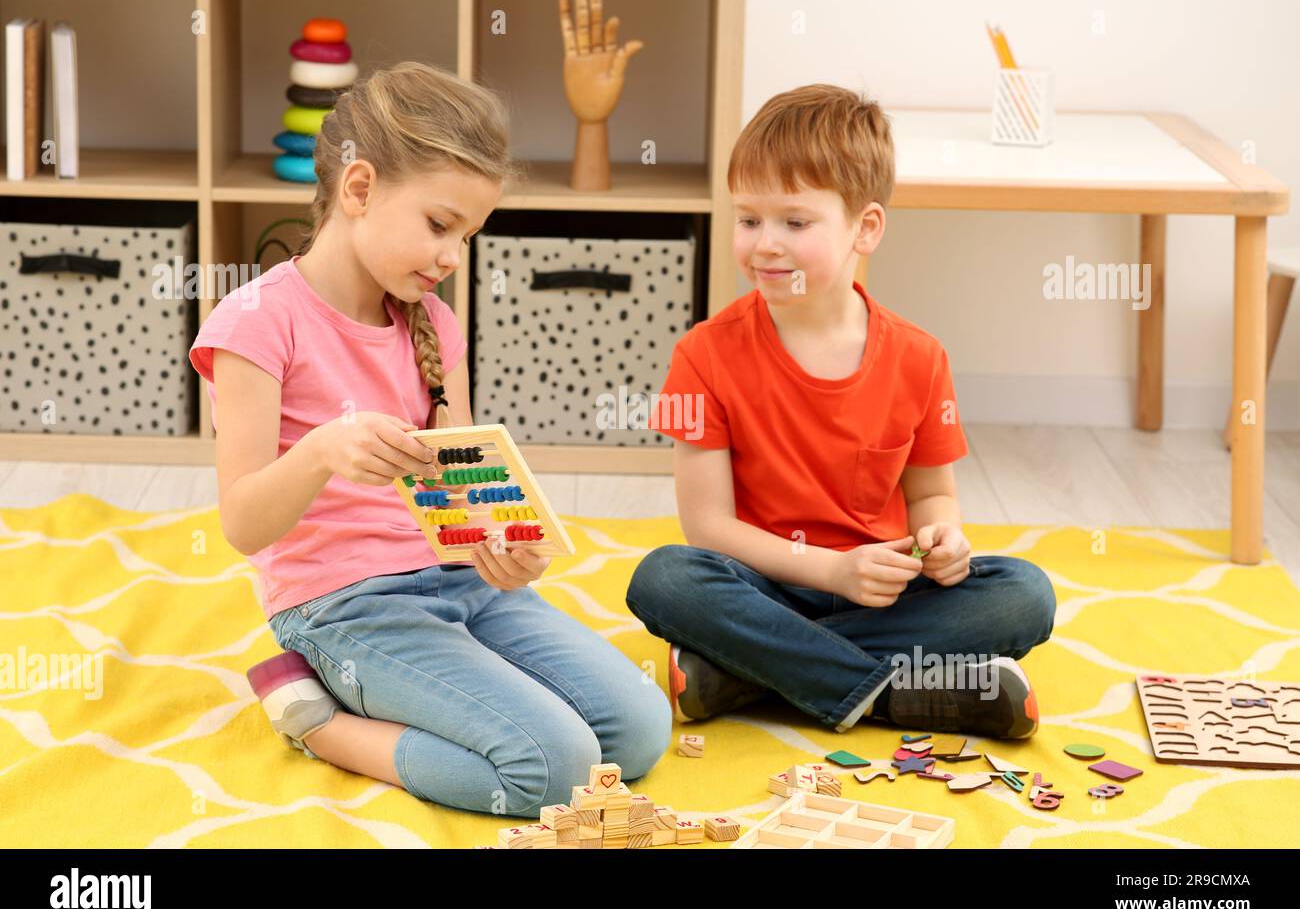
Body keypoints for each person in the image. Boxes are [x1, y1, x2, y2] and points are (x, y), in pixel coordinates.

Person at [189, 62, 669, 818]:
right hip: (343, 608)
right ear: (360, 190)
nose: (452, 256)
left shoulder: (433, 324)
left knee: (639, 731)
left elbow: (461, 497)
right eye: (440, 225)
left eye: (468, 235)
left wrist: (506, 552)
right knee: (554, 769)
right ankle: (323, 725)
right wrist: (320, 451)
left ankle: (437, 694)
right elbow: (242, 524)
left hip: (461, 587)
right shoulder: (255, 324)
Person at [627, 84, 1056, 738]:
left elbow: (933, 496)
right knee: (664, 579)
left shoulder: (920, 358)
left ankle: (749, 670)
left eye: (795, 222)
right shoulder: (702, 355)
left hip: (886, 593)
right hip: (764, 584)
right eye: (748, 219)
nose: (764, 244)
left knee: (1025, 595)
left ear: (866, 227)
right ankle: (890, 695)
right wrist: (830, 569)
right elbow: (708, 529)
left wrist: (943, 541)